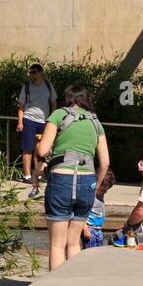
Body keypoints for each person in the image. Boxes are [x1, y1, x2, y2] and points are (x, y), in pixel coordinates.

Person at [35, 85, 110, 270]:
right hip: (87, 182)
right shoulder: (95, 121)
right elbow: (105, 162)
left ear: (68, 98)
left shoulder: (59, 115)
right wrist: (96, 186)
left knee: (57, 244)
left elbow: (43, 150)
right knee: (74, 242)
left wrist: (38, 147)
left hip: (62, 179)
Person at [16, 62, 57, 197]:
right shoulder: (27, 87)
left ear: (40, 73)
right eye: (30, 73)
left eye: (34, 72)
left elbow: (53, 102)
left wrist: (54, 119)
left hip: (44, 121)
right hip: (29, 120)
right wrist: (20, 122)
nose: (32, 75)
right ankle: (27, 175)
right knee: (28, 148)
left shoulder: (48, 86)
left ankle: (38, 175)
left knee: (41, 150)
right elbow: (21, 106)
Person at [82, 167, 116, 249]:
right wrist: (85, 229)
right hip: (90, 230)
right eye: (104, 190)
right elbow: (80, 212)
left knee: (98, 252)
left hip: (98, 230)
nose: (105, 192)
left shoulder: (100, 193)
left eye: (107, 189)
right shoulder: (89, 194)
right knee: (90, 253)